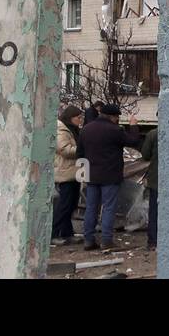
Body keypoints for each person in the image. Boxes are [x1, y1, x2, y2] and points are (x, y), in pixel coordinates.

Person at [76, 104, 140, 251]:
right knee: (108, 208)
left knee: (91, 208)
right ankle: (106, 241)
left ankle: (88, 240)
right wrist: (133, 126)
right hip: (110, 175)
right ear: (113, 117)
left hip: (91, 175)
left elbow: (79, 154)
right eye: (117, 117)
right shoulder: (115, 130)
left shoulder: (86, 129)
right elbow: (134, 141)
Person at [51, 105, 84, 245]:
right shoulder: (61, 130)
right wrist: (82, 149)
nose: (80, 120)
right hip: (65, 172)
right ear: (71, 117)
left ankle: (67, 232)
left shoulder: (72, 129)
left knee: (71, 204)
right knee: (64, 205)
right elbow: (64, 149)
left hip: (73, 172)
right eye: (78, 117)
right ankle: (54, 233)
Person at [140, 127, 158, 249]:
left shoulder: (153, 134)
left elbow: (145, 155)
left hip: (156, 177)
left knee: (154, 210)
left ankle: (153, 241)